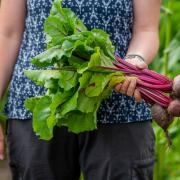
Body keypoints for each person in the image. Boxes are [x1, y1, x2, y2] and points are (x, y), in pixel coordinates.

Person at [0, 0, 160, 179]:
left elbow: (147, 29)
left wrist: (134, 60)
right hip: (42, 107)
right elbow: (8, 34)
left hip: (120, 103)